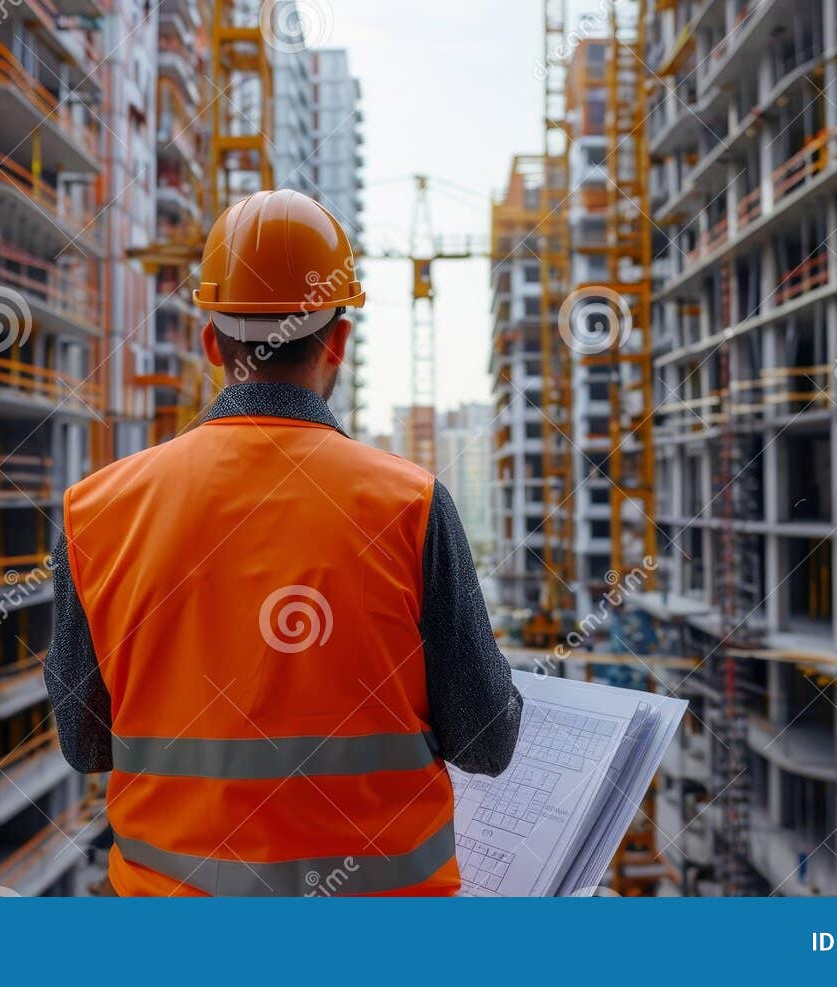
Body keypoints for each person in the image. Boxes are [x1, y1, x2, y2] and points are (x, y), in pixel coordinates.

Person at [44, 189, 523, 897]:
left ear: (212, 344)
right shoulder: (410, 506)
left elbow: (84, 742)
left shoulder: (97, 511)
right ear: (340, 341)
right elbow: (488, 740)